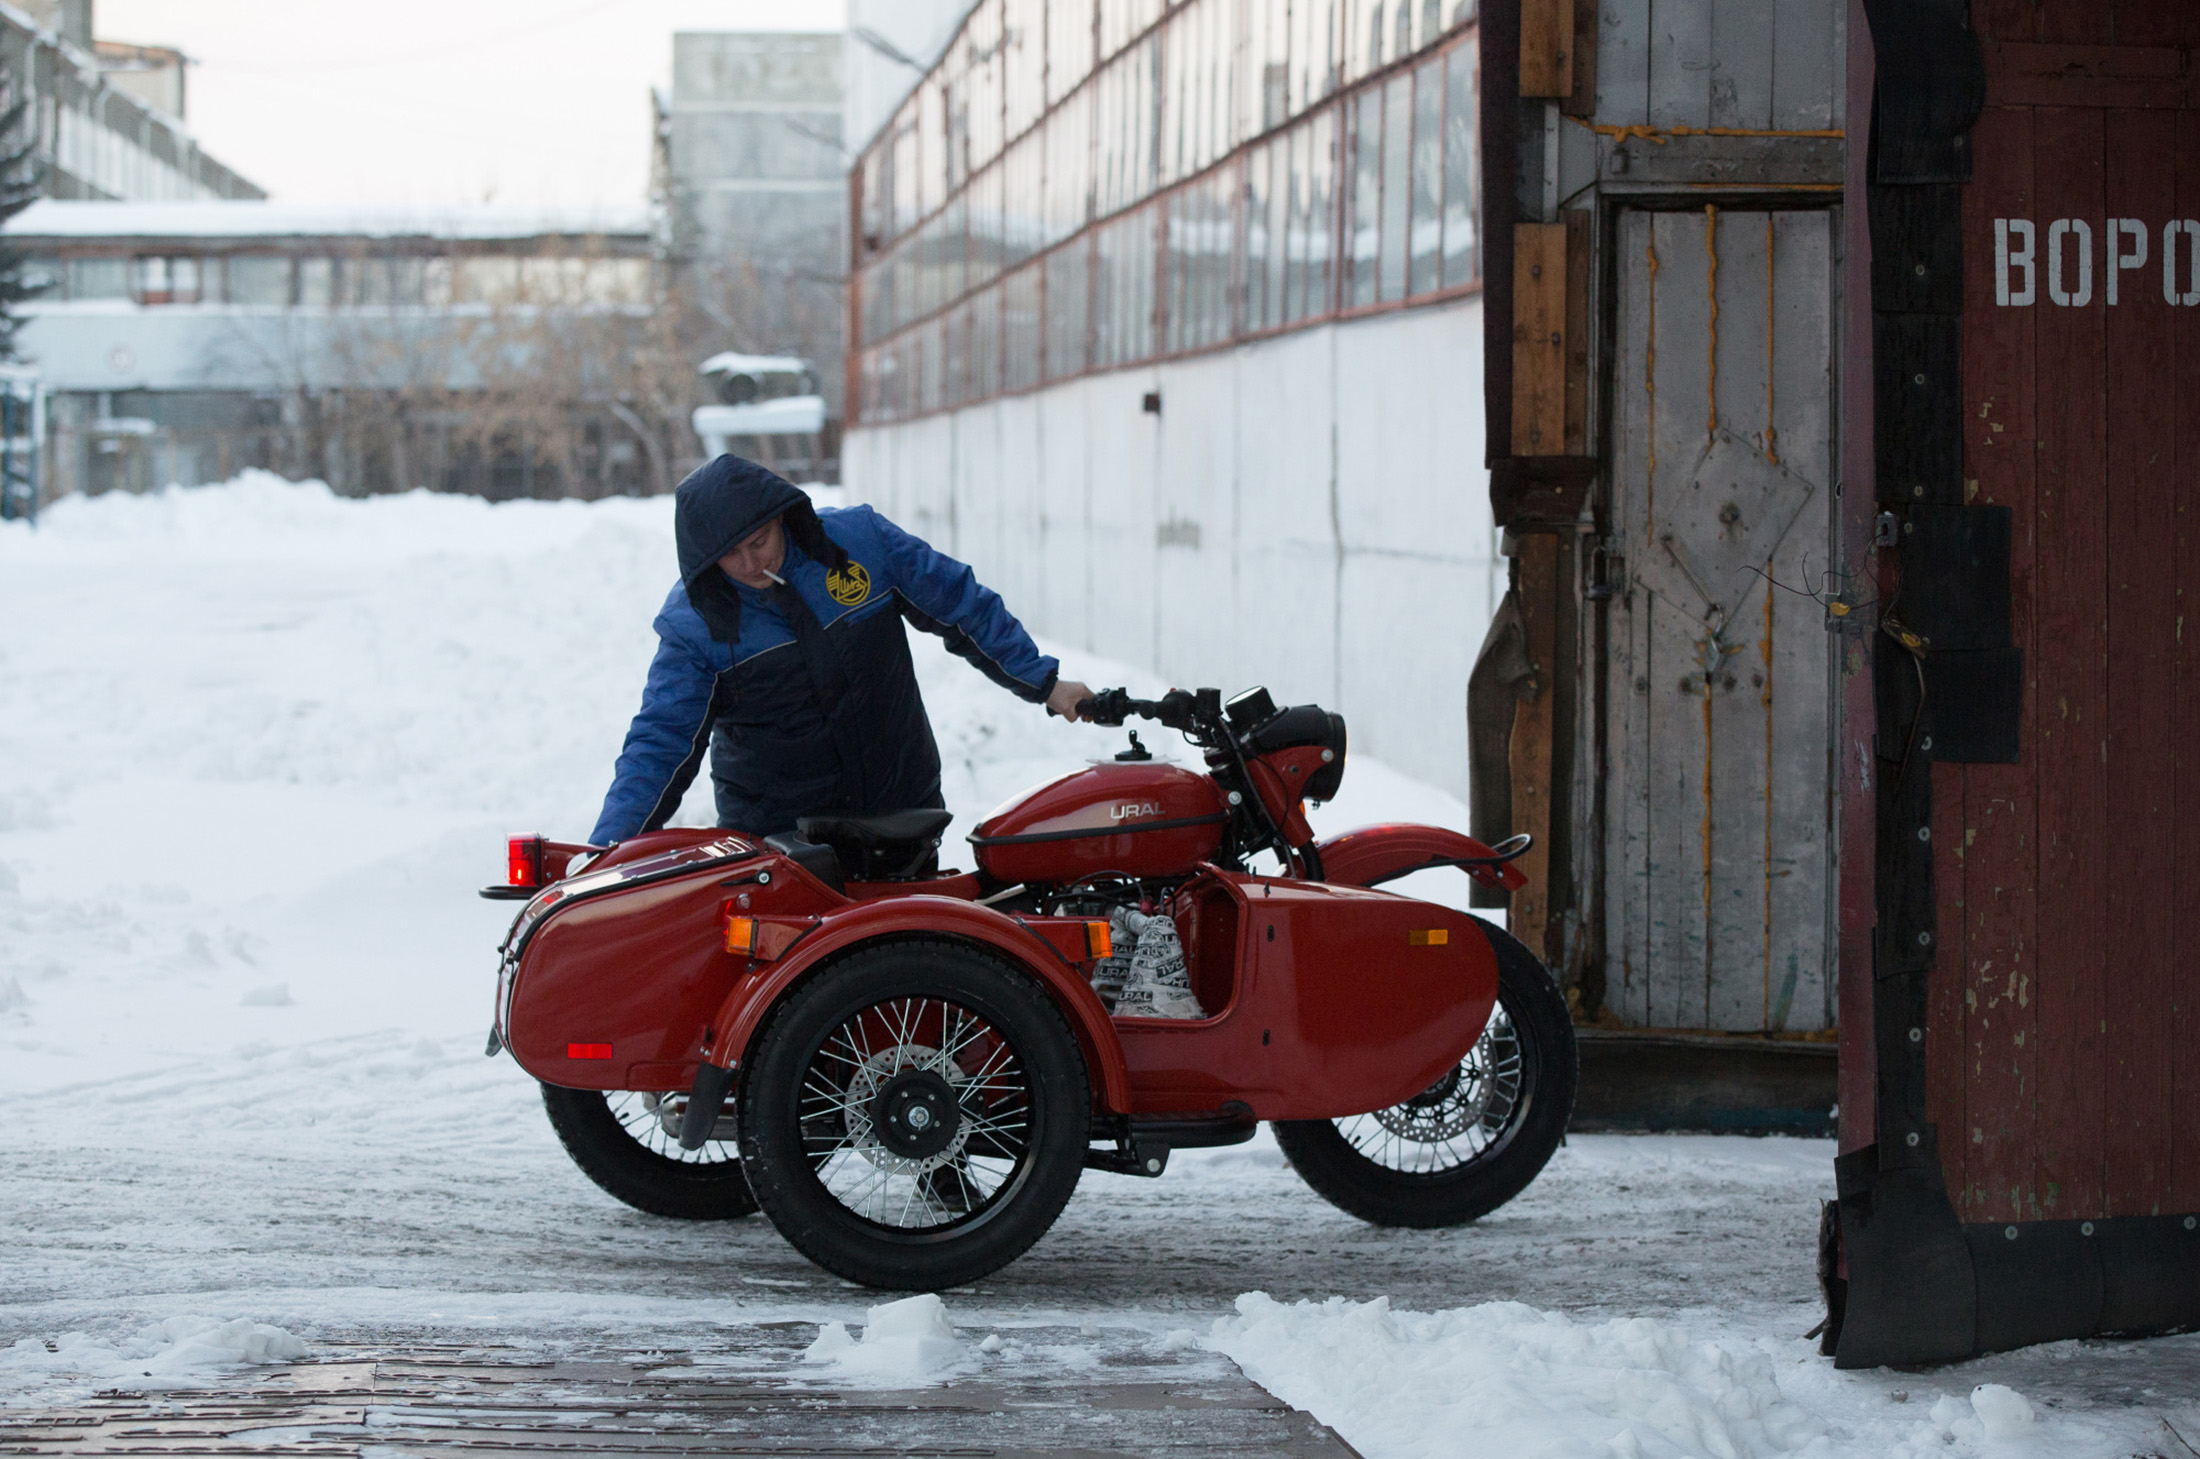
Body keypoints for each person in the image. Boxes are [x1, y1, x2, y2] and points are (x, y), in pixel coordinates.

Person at [589, 455, 1093, 846]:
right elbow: (660, 745)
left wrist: (1043, 683)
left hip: (900, 816)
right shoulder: (696, 624)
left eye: (759, 541)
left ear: (779, 516)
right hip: (781, 843)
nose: (748, 562)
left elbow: (963, 605)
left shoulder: (861, 544)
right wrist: (606, 853)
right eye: (729, 555)